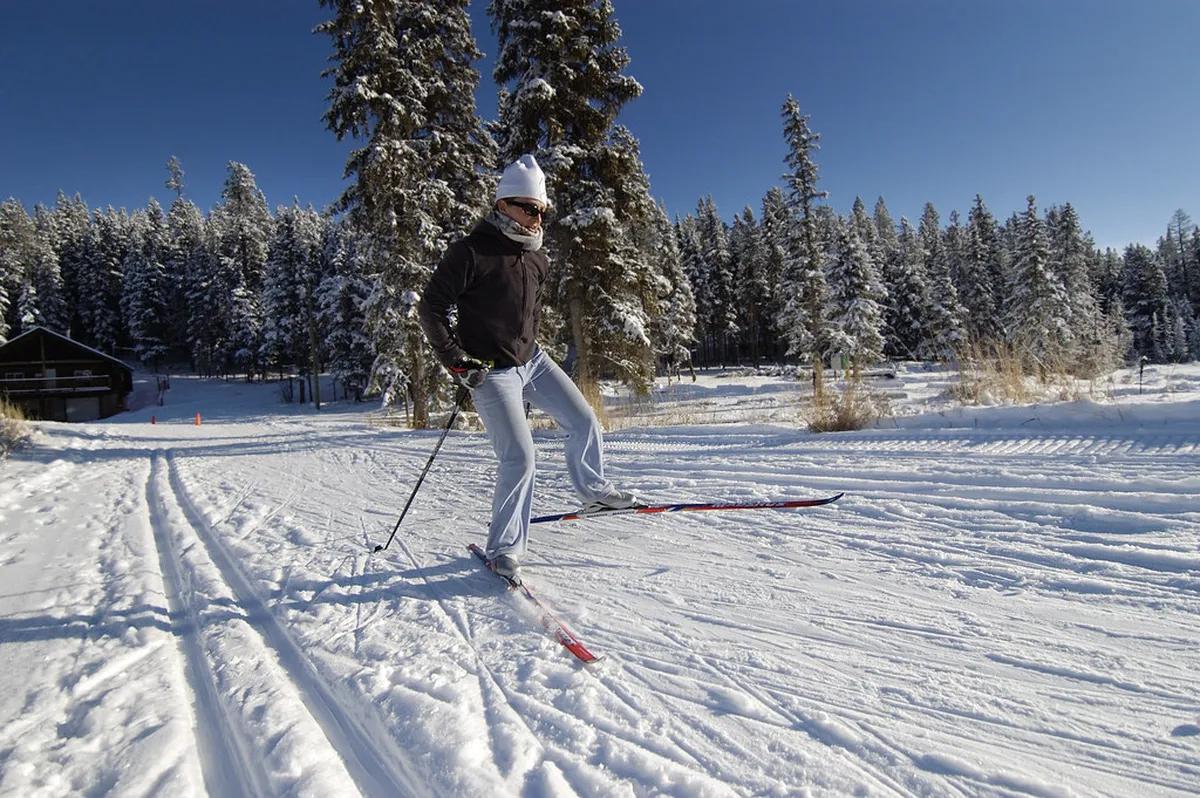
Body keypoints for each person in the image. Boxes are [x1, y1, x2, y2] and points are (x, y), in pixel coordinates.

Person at [417, 154, 638, 582]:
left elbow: (530, 311)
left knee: (584, 421)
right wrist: (457, 361)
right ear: (503, 204)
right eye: (529, 209)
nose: (538, 219)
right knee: (519, 457)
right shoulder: (470, 251)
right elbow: (431, 309)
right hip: (490, 371)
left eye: (542, 211)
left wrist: (529, 344)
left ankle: (594, 492)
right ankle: (504, 550)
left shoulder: (538, 258)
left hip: (532, 360)